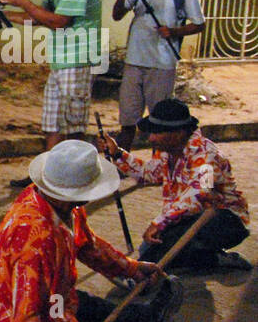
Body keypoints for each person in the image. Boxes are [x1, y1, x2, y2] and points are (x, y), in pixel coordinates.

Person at [0, 140, 182, 322]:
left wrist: (131, 268)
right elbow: (26, 313)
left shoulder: (58, 203)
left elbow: (88, 245)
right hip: (12, 312)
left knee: (78, 305)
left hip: (51, 300)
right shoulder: (35, 238)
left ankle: (146, 321)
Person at [98, 99, 250, 271]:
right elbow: (150, 174)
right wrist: (117, 153)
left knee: (158, 258)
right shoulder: (167, 150)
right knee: (151, 250)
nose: (151, 138)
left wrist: (159, 223)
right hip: (188, 217)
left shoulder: (207, 156)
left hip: (225, 220)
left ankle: (215, 259)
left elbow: (199, 195)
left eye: (157, 133)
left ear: (179, 133)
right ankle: (207, 258)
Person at [0, 0, 103, 155]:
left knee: (74, 125)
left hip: (77, 60)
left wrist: (21, 1)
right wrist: (6, 14)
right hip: (60, 61)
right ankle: (47, 173)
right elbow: (40, 17)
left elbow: (58, 22)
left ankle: (73, 172)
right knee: (52, 123)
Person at [111, 0, 205, 150]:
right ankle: (120, 164)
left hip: (162, 65)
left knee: (160, 123)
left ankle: (159, 167)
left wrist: (173, 32)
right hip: (134, 62)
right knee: (127, 121)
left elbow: (199, 24)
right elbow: (117, 15)